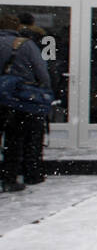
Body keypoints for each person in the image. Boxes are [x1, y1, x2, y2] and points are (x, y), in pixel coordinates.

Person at [1, 14, 54, 191]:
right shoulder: (25, 45)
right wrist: (44, 90)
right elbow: (41, 71)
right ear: (17, 28)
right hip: (17, 99)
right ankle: (10, 178)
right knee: (15, 139)